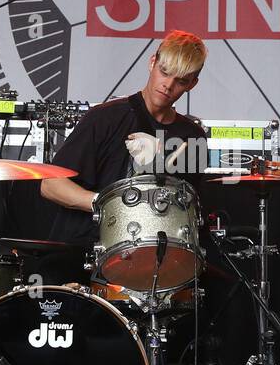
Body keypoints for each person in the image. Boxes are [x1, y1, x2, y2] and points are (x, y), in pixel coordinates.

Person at [37, 30, 209, 282]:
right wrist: (104, 202)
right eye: (164, 71)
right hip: (84, 257)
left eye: (181, 81)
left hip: (153, 267)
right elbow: (50, 185)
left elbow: (188, 211)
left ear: (192, 83)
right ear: (152, 62)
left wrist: (160, 159)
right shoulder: (104, 118)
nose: (168, 85)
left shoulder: (192, 137)